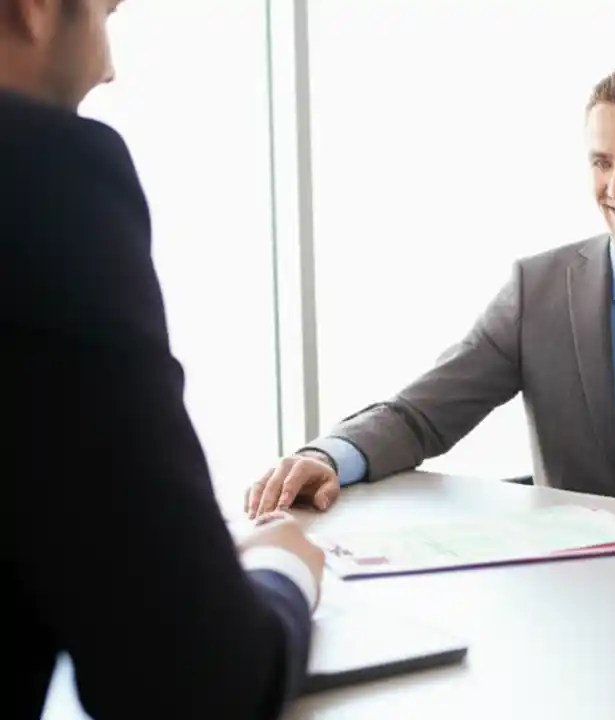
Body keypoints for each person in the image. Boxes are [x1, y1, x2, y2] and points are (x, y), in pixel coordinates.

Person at [246, 65, 615, 517]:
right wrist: (327, 455)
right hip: (573, 593)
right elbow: (424, 415)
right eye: (602, 162)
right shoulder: (535, 293)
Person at [2, 1, 322, 717]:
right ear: (37, 9)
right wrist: (282, 567)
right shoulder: (40, 176)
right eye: (104, 15)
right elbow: (195, 680)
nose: (108, 67)